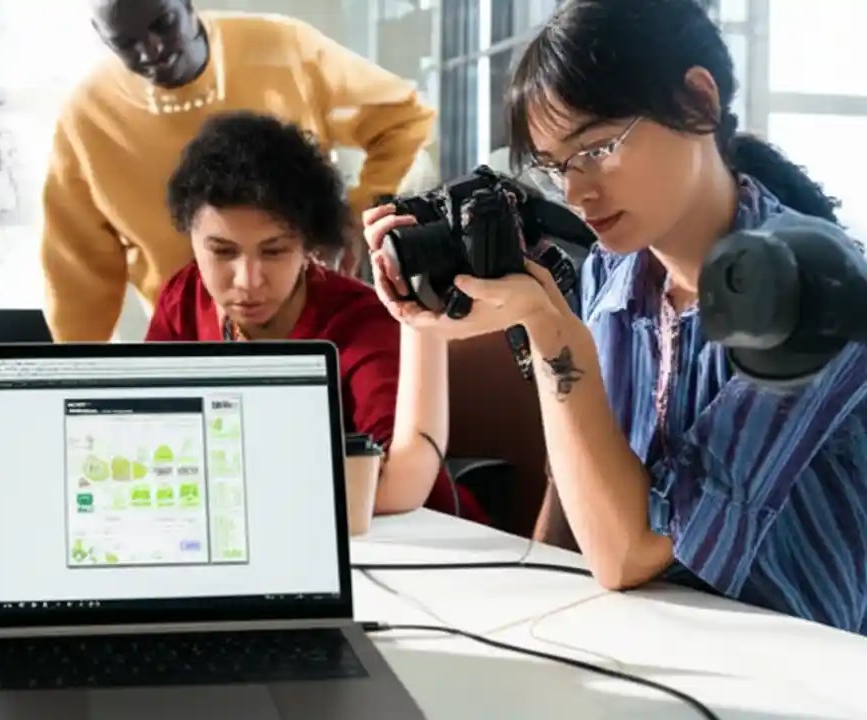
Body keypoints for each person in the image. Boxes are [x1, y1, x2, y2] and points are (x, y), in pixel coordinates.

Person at [365, 0, 867, 634]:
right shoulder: (613, 270)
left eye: (598, 147)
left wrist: (550, 334)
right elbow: (582, 487)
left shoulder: (814, 288)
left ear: (698, 101)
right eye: (555, 166)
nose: (577, 193)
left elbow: (633, 549)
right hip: (648, 648)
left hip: (801, 671)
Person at [147, 111, 485, 522]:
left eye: (274, 251)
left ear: (309, 243)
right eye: (222, 251)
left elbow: (392, 485)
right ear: (190, 237)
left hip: (413, 538)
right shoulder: (183, 299)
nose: (248, 280)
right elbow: (152, 437)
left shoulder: (362, 323)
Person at [42, 0, 437, 342]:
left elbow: (403, 117)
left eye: (162, 23)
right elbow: (77, 274)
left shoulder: (284, 49)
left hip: (313, 324)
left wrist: (353, 216)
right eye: (125, 44)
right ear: (101, 36)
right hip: (187, 337)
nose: (151, 51)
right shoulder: (87, 118)